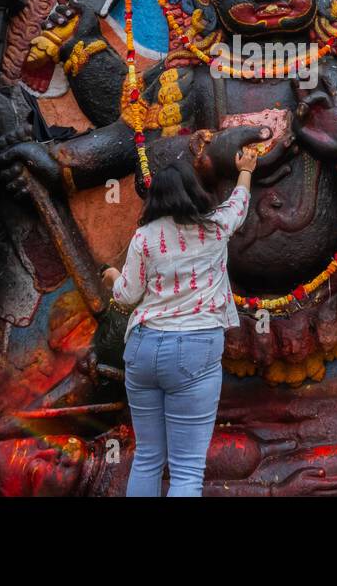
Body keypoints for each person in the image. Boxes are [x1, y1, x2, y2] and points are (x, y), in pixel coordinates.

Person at [102, 134, 264, 497]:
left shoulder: (144, 237)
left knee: (146, 457)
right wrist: (245, 171)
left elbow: (127, 295)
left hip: (143, 349)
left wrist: (112, 276)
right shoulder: (215, 229)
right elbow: (239, 204)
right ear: (194, 192)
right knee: (187, 470)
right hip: (194, 349)